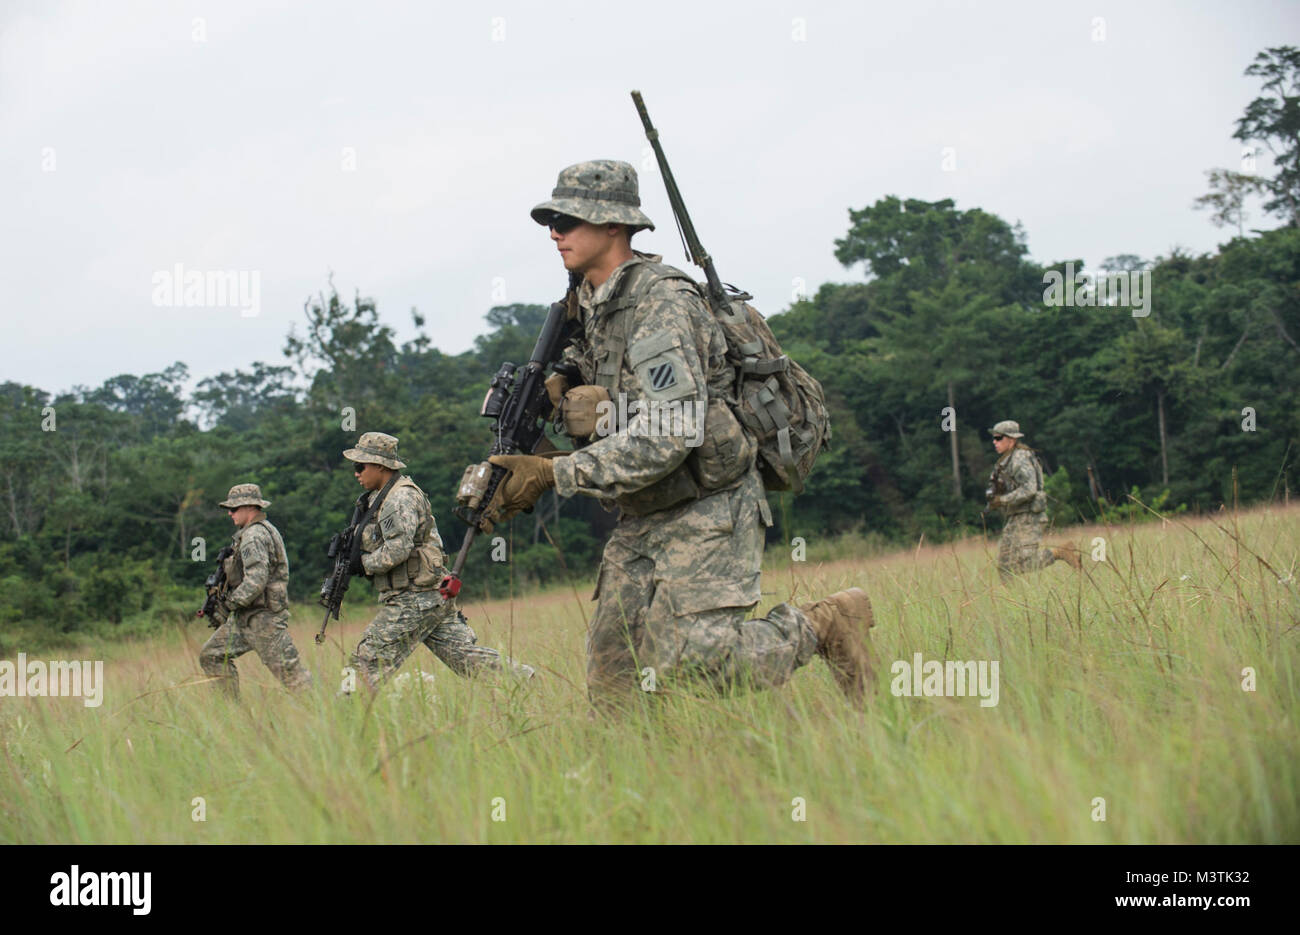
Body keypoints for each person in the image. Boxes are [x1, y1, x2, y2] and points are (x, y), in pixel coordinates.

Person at [473, 160, 875, 710]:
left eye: (567, 220)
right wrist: (561, 389)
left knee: (696, 665)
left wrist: (552, 473)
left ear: (614, 225)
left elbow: (671, 432)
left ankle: (826, 623)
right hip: (644, 509)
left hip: (708, 504)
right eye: (551, 221)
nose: (554, 233)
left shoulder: (660, 301)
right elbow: (612, 383)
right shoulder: (590, 301)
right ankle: (658, 767)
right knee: (615, 684)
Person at [342, 432, 534, 689]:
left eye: (360, 466)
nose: (356, 473)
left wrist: (363, 564)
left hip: (415, 597)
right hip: (429, 595)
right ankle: (525, 682)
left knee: (367, 661)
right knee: (465, 659)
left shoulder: (399, 499)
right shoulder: (380, 498)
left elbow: (398, 549)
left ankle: (345, 708)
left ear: (380, 466)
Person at [200, 484, 312, 696]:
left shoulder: (254, 536)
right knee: (211, 655)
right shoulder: (257, 532)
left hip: (263, 620)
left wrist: (229, 603)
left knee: (293, 678)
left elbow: (256, 579)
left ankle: (325, 710)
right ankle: (229, 711)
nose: (230, 514)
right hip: (247, 618)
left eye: (234, 509)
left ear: (250, 507)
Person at [985, 420, 1080, 580]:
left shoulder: (1020, 458)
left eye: (999, 438)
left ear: (1012, 440)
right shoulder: (1005, 461)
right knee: (1005, 566)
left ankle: (1061, 552)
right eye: (994, 438)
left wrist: (1003, 500)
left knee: (1026, 562)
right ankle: (1013, 596)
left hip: (1029, 517)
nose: (995, 442)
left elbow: (1030, 489)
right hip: (1015, 517)